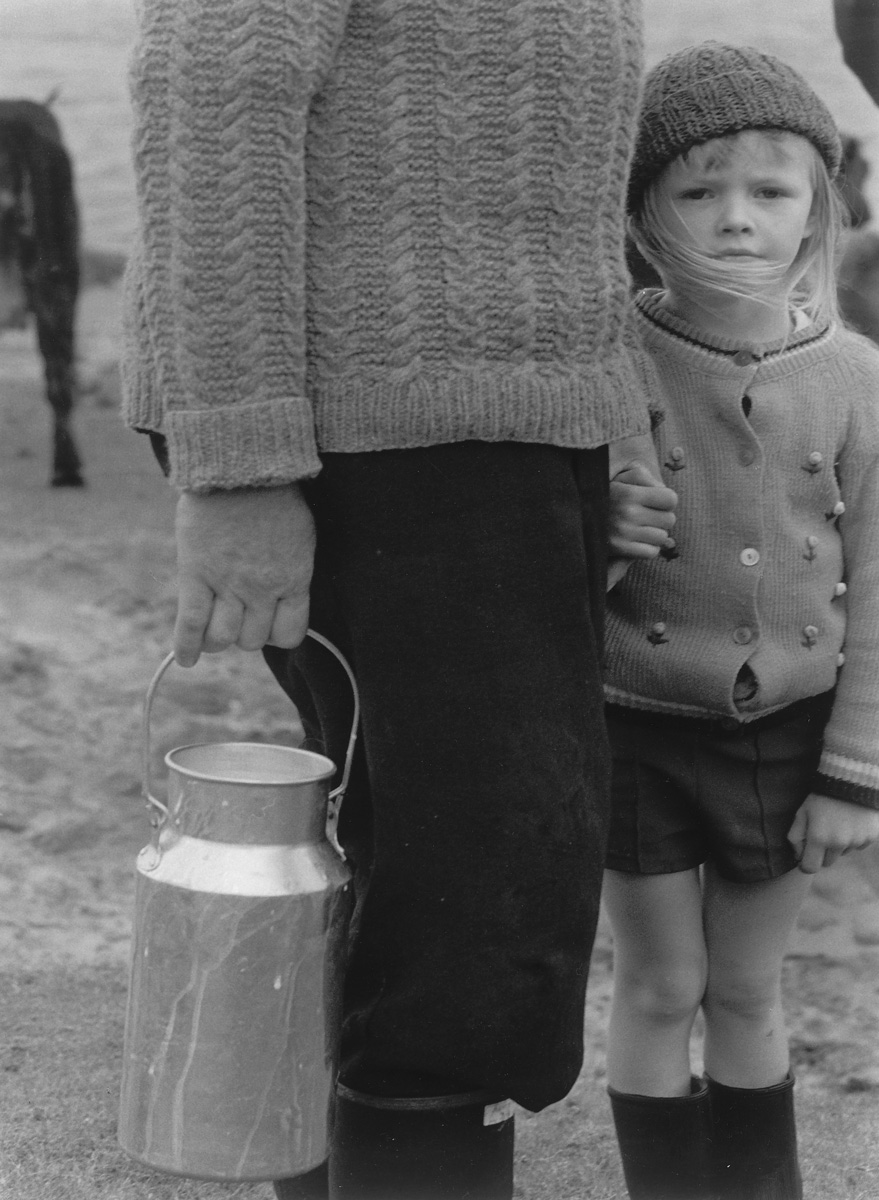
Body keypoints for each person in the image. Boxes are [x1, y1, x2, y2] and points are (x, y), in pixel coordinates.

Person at [122, 3, 661, 1197]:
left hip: (513, 420)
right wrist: (241, 466)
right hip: (372, 425)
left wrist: (613, 414)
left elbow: (553, 140)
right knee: (475, 912)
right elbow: (212, 95)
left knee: (461, 885)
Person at [602, 42, 879, 1200]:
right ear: (643, 207)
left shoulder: (859, 375)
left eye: (769, 190)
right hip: (633, 731)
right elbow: (546, 585)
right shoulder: (607, 361)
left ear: (820, 202)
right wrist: (594, 532)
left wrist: (857, 771)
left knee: (752, 992)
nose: (735, 219)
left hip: (790, 739)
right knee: (662, 987)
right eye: (698, 188)